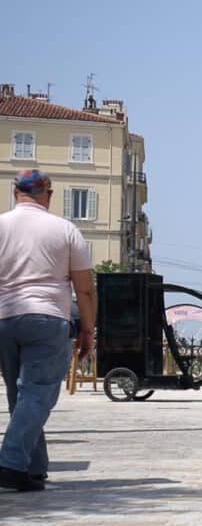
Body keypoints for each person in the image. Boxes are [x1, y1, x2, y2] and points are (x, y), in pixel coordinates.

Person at [0, 170, 95, 492]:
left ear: (15, 193)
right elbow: (84, 289)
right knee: (37, 394)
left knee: (22, 396)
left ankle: (33, 468)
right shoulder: (65, 230)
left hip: (5, 317)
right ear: (49, 195)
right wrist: (88, 329)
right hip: (48, 318)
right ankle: (11, 463)